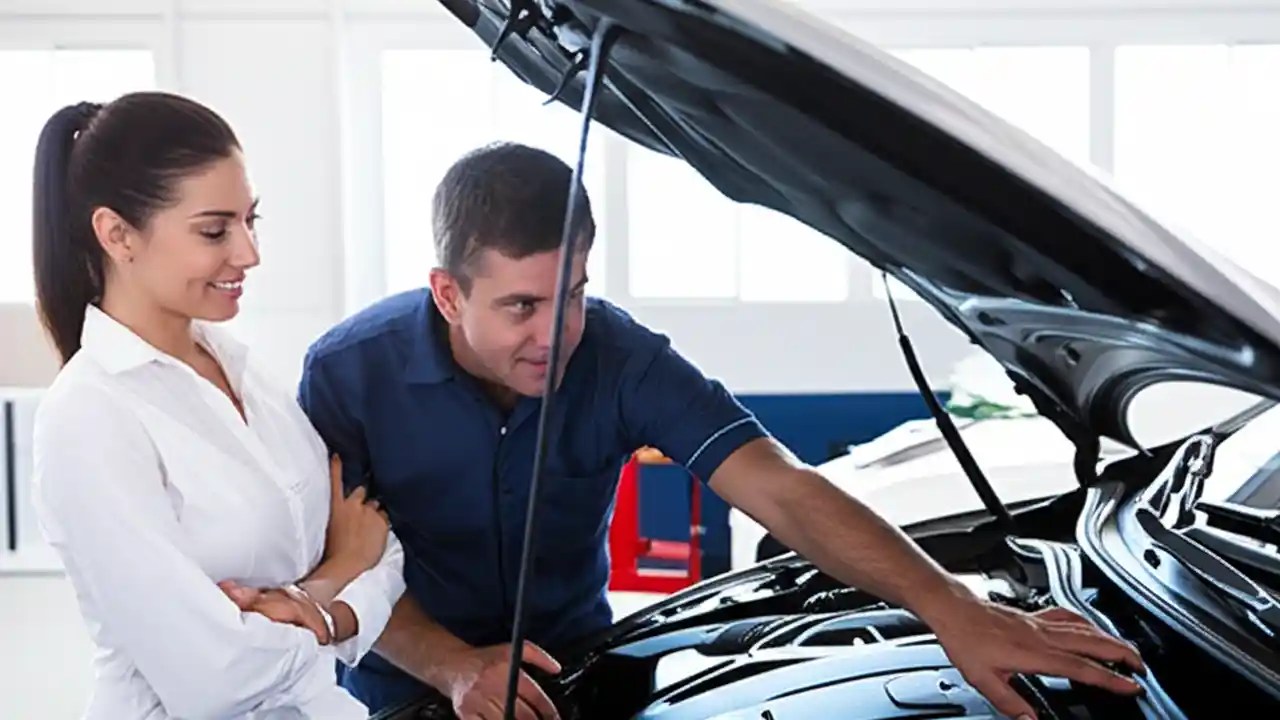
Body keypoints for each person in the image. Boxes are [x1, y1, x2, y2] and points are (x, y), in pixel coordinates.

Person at [291, 142, 1146, 720]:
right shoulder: (346, 375)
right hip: (395, 690)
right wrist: (451, 666)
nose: (556, 333)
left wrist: (950, 605)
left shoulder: (621, 357)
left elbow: (778, 484)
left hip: (579, 674)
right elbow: (328, 571)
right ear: (447, 294)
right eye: (520, 305)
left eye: (576, 292)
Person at [28, 91, 406, 719]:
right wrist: (335, 580)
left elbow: (382, 550)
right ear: (117, 234)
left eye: (250, 221)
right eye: (214, 230)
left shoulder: (247, 375)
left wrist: (317, 606)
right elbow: (216, 675)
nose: (248, 253)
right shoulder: (89, 416)